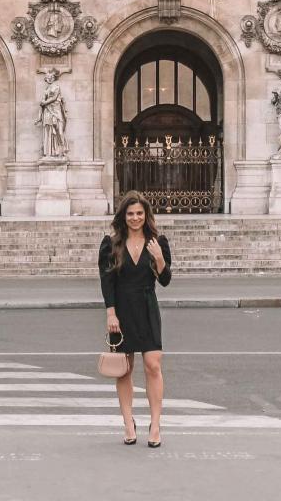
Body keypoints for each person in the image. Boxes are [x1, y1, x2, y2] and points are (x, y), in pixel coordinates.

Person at [99, 190, 172, 447]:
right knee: (124, 369)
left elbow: (164, 281)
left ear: (146, 215)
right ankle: (128, 422)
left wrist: (160, 259)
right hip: (122, 311)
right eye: (130, 213)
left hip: (147, 306)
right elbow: (107, 282)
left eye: (139, 213)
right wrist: (111, 313)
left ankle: (155, 423)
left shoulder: (157, 242)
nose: (135, 218)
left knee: (153, 364)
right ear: (123, 216)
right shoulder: (111, 244)